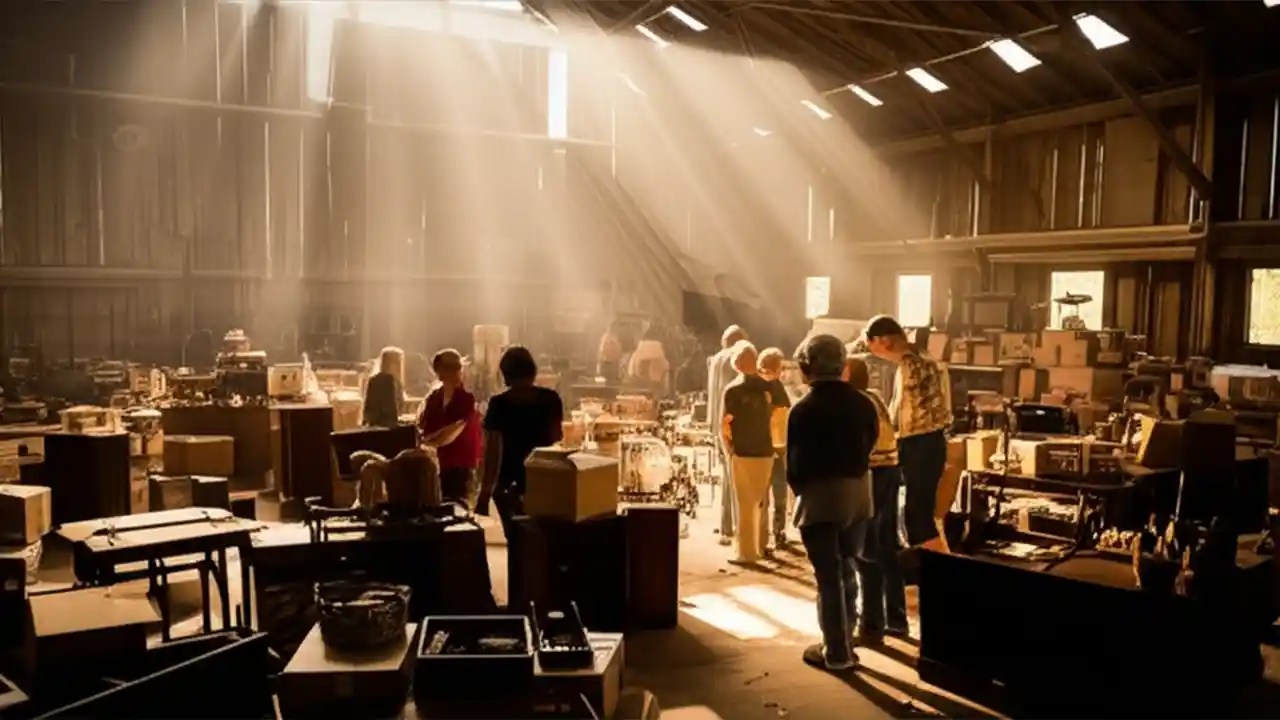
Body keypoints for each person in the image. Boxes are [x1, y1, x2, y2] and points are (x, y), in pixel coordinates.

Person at [788, 334, 879, 671]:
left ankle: (836, 652)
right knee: (848, 568)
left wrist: (802, 494)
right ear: (842, 365)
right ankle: (847, 641)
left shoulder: (803, 409)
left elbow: (795, 466)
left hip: (820, 497)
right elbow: (869, 445)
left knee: (828, 576)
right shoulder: (863, 403)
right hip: (859, 495)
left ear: (806, 367)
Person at [863, 315, 952, 546]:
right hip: (927, 442)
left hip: (921, 444)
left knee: (917, 516)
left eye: (871, 344)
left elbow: (903, 414)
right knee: (918, 514)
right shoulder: (920, 359)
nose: (872, 352)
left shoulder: (912, 364)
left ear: (884, 341)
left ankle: (931, 573)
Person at [844, 355, 909, 639]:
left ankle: (871, 623)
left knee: (865, 550)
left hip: (873, 475)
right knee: (886, 547)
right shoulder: (876, 399)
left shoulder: (855, 403)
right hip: (890, 473)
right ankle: (895, 619)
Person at [479, 346, 564, 542]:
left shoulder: (498, 404)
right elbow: (557, 438)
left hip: (508, 483)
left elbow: (493, 453)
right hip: (543, 478)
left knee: (515, 539)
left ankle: (516, 572)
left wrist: (485, 493)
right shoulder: (551, 399)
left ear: (506, 374)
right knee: (542, 541)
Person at [720, 341, 776, 564]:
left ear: (736, 364)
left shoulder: (733, 391)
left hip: (742, 451)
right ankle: (762, 545)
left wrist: (728, 449)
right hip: (766, 450)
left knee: (744, 503)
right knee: (762, 502)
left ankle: (746, 552)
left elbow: (726, 424)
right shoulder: (769, 388)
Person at [418, 349, 482, 509]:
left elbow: (454, 430)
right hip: (440, 462)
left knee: (459, 504)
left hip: (461, 462)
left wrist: (431, 442)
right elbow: (425, 426)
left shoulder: (465, 398)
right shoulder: (434, 398)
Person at [708, 325, 747, 546]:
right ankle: (734, 526)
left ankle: (725, 524)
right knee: (735, 477)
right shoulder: (735, 358)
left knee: (726, 475)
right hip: (731, 426)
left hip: (716, 424)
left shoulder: (715, 359)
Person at [756, 347, 793, 549]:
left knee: (778, 493)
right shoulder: (760, 387)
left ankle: (777, 532)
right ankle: (765, 534)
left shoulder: (776, 385)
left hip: (779, 447)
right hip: (767, 447)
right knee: (766, 495)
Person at [363, 346, 405, 428]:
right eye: (397, 362)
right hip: (381, 429)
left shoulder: (396, 382)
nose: (399, 366)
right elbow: (391, 412)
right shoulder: (384, 381)